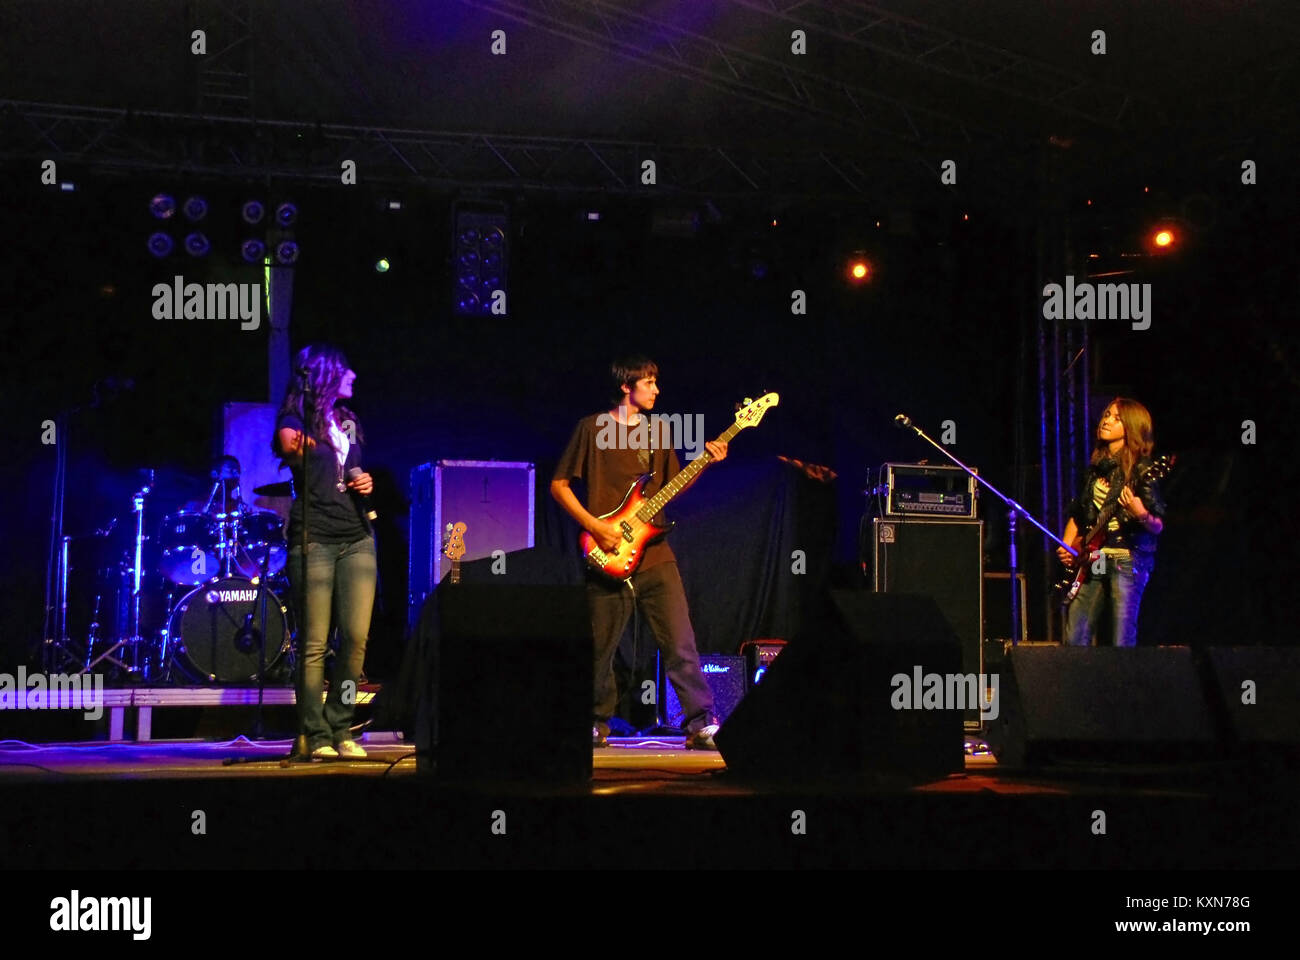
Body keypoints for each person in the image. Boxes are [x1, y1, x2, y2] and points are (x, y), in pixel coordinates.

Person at [551, 355, 727, 749]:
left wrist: (705, 462)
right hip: (605, 550)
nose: (657, 390)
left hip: (654, 553)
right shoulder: (592, 428)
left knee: (680, 641)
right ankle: (595, 723)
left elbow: (672, 487)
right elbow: (559, 485)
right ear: (626, 386)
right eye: (649, 382)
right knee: (599, 647)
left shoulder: (658, 431)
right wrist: (596, 527)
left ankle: (700, 723)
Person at [273, 345, 375, 759]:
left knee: (355, 639)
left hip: (357, 536)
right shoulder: (295, 420)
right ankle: (313, 733)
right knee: (315, 643)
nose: (353, 375)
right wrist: (301, 436)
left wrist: (364, 480)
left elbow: (351, 469)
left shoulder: (348, 422)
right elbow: (286, 447)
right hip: (314, 537)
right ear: (324, 374)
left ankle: (341, 725)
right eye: (345, 370)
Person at [1057, 398, 1166, 647]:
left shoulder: (1142, 470)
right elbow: (1079, 511)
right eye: (1106, 414)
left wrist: (1140, 513)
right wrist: (1067, 544)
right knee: (1077, 628)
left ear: (1131, 427)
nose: (1106, 420)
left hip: (1128, 558)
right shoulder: (1096, 469)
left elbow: (1158, 525)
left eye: (1116, 418)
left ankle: (1124, 683)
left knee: (1121, 635)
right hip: (1097, 558)